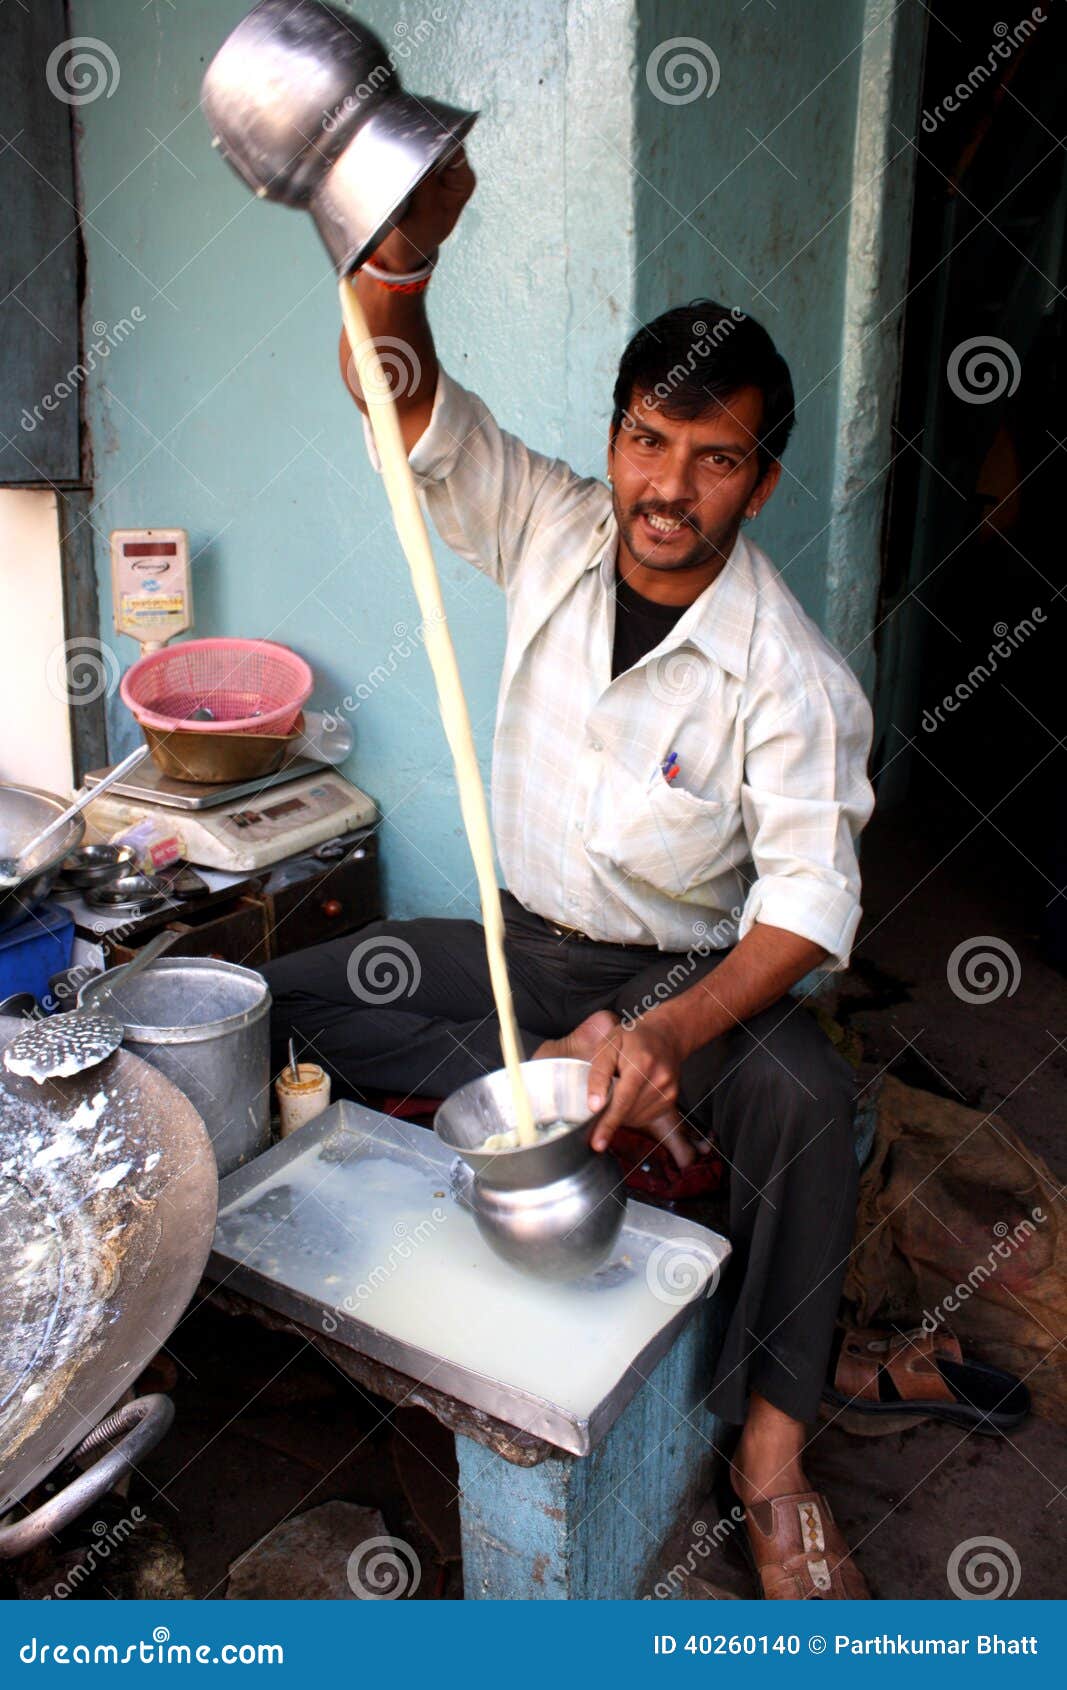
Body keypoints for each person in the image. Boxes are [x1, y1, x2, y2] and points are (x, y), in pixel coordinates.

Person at [265, 148, 875, 1600]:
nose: (667, 488)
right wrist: (395, 265)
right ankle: (478, 1177)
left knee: (813, 1105)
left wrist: (663, 1033)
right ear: (613, 438)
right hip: (512, 953)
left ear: (762, 478)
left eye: (713, 456)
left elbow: (803, 910)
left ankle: (773, 1453)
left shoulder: (785, 672)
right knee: (292, 997)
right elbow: (397, 392)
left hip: (679, 980)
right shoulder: (550, 522)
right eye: (648, 441)